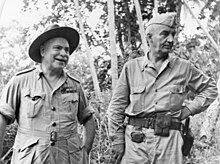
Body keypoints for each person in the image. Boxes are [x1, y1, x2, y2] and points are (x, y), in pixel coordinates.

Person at [107, 12, 218, 164]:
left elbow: (210, 88)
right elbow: (116, 107)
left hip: (169, 144)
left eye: (173, 34)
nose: (171, 40)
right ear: (149, 37)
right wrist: (117, 141)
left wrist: (189, 110)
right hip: (135, 143)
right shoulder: (131, 68)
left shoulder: (183, 67)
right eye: (165, 34)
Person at [0, 24, 96, 164]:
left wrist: (85, 152)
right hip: (30, 158)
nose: (64, 54)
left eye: (67, 50)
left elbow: (88, 118)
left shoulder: (75, 85)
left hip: (69, 158)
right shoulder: (21, 81)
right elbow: (2, 117)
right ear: (43, 51)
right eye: (57, 48)